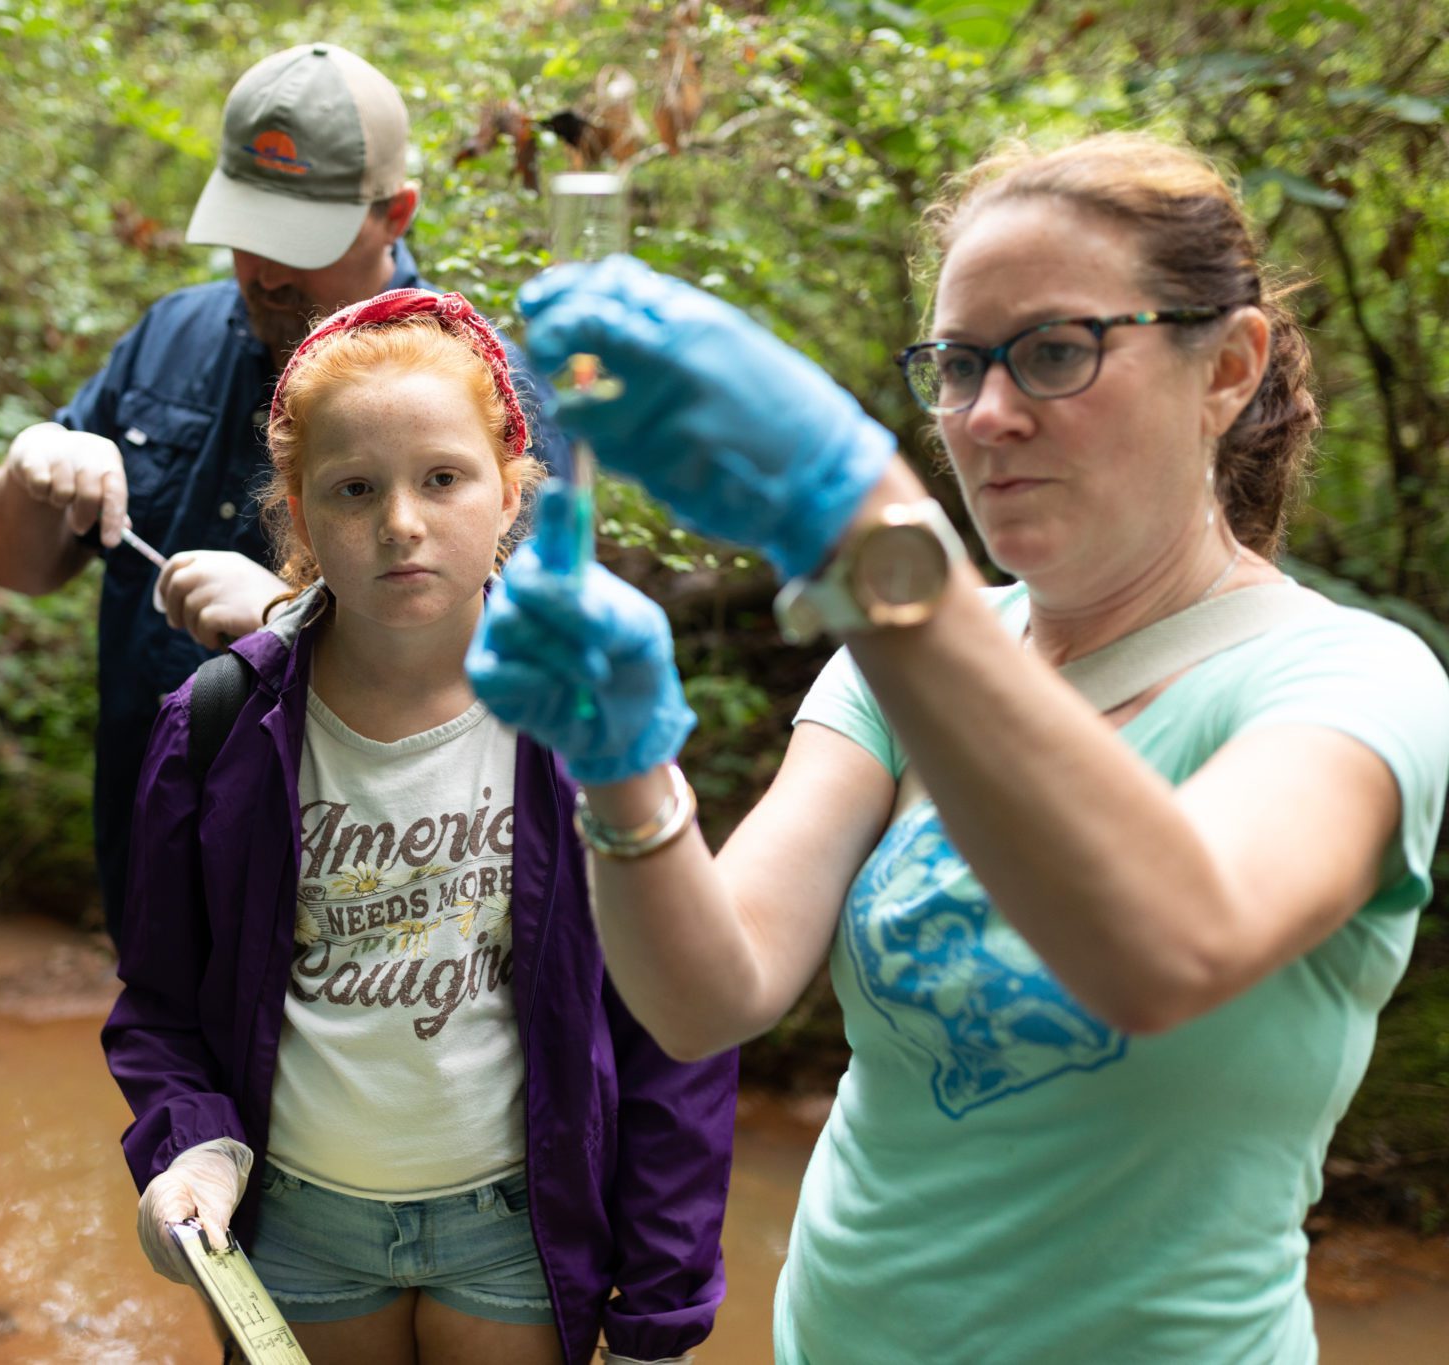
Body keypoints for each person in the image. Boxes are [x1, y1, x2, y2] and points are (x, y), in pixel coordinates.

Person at [467, 132, 1449, 1363]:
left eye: (1053, 352)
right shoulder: (900, 654)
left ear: (1227, 367)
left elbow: (1173, 941)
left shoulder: (1349, 680)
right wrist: (619, 761)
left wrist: (859, 516)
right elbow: (704, 996)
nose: (986, 415)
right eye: (956, 364)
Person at [102, 290, 735, 1365]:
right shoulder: (214, 725)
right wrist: (192, 1149)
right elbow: (161, 1003)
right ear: (298, 515)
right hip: (296, 1227)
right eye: (353, 489)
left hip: (517, 1230)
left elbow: (676, 1026)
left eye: (442, 479)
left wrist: (660, 1311)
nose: (400, 522)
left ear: (508, 489)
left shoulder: (590, 721)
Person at [0, 42, 566, 940]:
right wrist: (33, 463)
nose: (266, 272)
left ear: (394, 214)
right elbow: (13, 564)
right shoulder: (174, 333)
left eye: (299, 243)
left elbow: (537, 667)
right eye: (249, 232)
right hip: (157, 859)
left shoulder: (476, 394)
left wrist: (298, 621)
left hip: (374, 901)